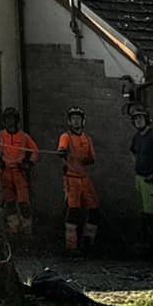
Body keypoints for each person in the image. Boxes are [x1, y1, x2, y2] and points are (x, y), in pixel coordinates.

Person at [0, 108, 40, 239]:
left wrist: (29, 163)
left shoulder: (23, 136)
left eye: (11, 118)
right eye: (6, 119)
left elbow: (35, 150)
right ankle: (13, 230)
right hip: (5, 173)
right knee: (9, 202)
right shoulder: (0, 135)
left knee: (24, 202)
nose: (9, 121)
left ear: (16, 120)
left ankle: (27, 230)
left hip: (19, 172)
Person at [56, 106, 99, 253]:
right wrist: (62, 152)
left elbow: (92, 158)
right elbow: (61, 149)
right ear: (69, 121)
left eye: (78, 119)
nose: (76, 122)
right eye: (73, 119)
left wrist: (84, 159)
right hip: (72, 179)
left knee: (94, 210)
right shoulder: (65, 136)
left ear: (83, 121)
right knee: (73, 211)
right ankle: (71, 246)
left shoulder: (87, 138)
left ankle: (88, 241)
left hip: (85, 179)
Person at [129, 105, 153, 257]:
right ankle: (147, 247)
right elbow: (133, 153)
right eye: (135, 119)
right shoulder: (137, 137)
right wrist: (137, 167)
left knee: (152, 214)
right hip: (140, 178)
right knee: (145, 213)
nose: (138, 121)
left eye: (140, 118)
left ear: (147, 119)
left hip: (149, 179)